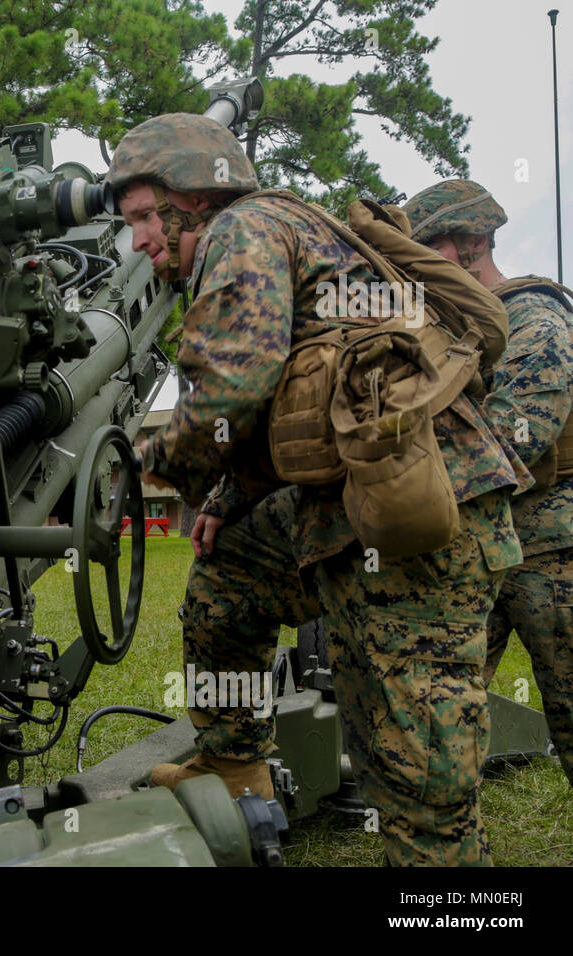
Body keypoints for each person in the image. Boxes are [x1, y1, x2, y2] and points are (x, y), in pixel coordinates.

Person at [110, 113, 525, 865]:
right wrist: (227, 502)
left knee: (414, 769)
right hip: (350, 507)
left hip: (422, 511)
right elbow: (295, 406)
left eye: (144, 217)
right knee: (227, 576)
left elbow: (233, 385)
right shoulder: (287, 230)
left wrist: (142, 466)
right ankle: (235, 763)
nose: (139, 241)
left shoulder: (244, 229)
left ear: (192, 200)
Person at [406, 179, 573, 788]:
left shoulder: (531, 314)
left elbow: (520, 433)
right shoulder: (446, 334)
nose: (420, 268)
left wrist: (411, 485)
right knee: (440, 721)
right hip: (476, 548)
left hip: (550, 549)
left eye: (432, 250)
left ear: (474, 241)